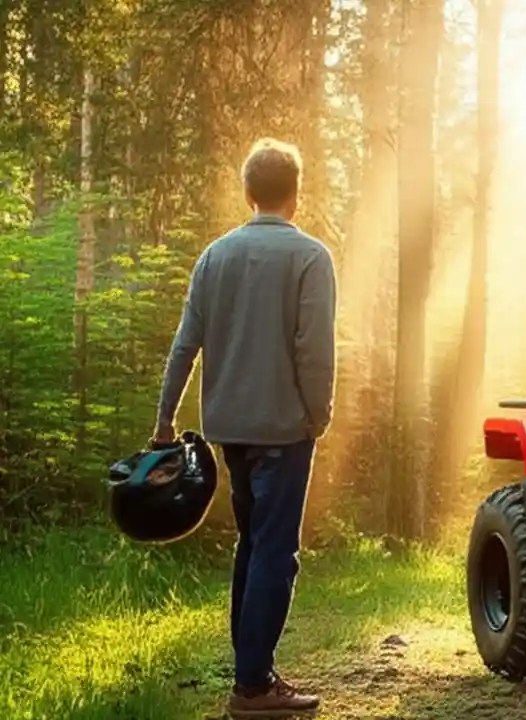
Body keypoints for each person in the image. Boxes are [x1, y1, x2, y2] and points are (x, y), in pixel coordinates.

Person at [154, 138, 335, 718]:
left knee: (253, 544)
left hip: (228, 429)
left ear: (249, 192)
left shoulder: (214, 257)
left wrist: (164, 422)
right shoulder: (310, 257)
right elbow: (315, 350)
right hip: (284, 429)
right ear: (295, 194)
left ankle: (251, 673)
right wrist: (318, 414)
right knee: (274, 553)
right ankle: (252, 688)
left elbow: (185, 346)